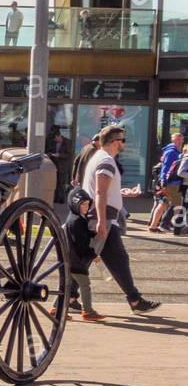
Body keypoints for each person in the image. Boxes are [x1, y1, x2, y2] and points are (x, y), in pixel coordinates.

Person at [83, 125, 158, 314]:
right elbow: (99, 192)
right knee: (85, 259)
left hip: (105, 216)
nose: (124, 143)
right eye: (123, 140)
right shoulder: (106, 161)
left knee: (116, 259)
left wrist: (120, 193)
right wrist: (101, 222)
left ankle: (135, 300)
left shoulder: (99, 158)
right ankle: (68, 298)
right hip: (103, 217)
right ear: (115, 142)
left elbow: (102, 189)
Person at [60, 187, 103, 322]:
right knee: (85, 285)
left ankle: (57, 309)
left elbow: (80, 235)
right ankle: (88, 311)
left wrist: (92, 234)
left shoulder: (75, 218)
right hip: (76, 260)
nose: (86, 207)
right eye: (83, 204)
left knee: (66, 286)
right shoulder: (77, 220)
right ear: (75, 204)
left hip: (70, 259)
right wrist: (93, 255)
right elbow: (80, 243)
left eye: (87, 204)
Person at [148, 132, 183, 233]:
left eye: (181, 140)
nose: (180, 142)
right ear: (172, 141)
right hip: (171, 183)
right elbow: (165, 167)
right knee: (172, 204)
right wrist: (164, 180)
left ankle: (154, 226)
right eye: (178, 140)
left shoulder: (173, 151)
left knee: (164, 204)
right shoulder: (171, 152)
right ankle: (177, 227)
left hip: (170, 182)